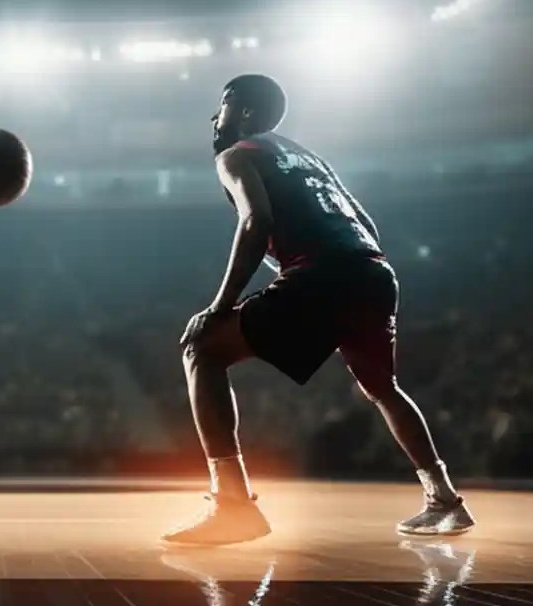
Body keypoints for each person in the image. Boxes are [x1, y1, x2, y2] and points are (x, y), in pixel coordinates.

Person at [164, 75, 474, 545]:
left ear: (244, 112)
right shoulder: (309, 158)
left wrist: (220, 305)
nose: (214, 116)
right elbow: (363, 222)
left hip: (325, 274)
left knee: (203, 346)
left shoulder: (236, 156)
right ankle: (445, 500)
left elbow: (257, 221)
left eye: (222, 104)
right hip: (374, 272)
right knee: (383, 388)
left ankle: (233, 506)